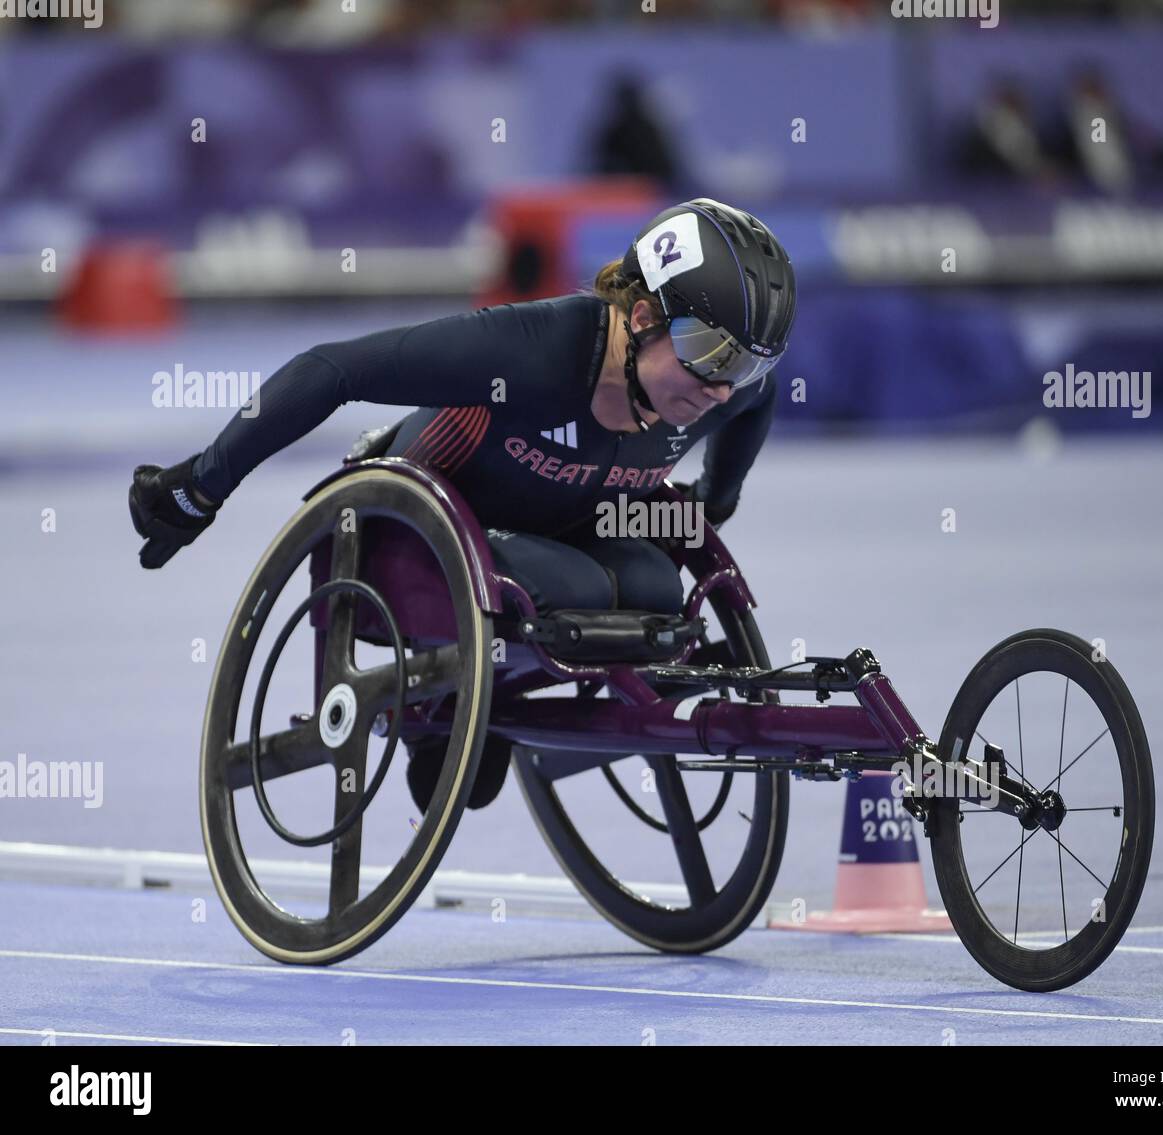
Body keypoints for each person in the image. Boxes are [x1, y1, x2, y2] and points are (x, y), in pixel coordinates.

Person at [129, 197, 797, 811]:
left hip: (563, 532)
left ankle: (494, 694)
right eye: (711, 355)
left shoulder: (718, 386)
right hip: (426, 537)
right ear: (644, 315)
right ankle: (454, 702)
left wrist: (715, 500)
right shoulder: (533, 353)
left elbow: (756, 403)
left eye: (745, 366)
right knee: (581, 587)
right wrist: (201, 486)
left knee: (654, 583)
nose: (721, 389)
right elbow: (333, 369)